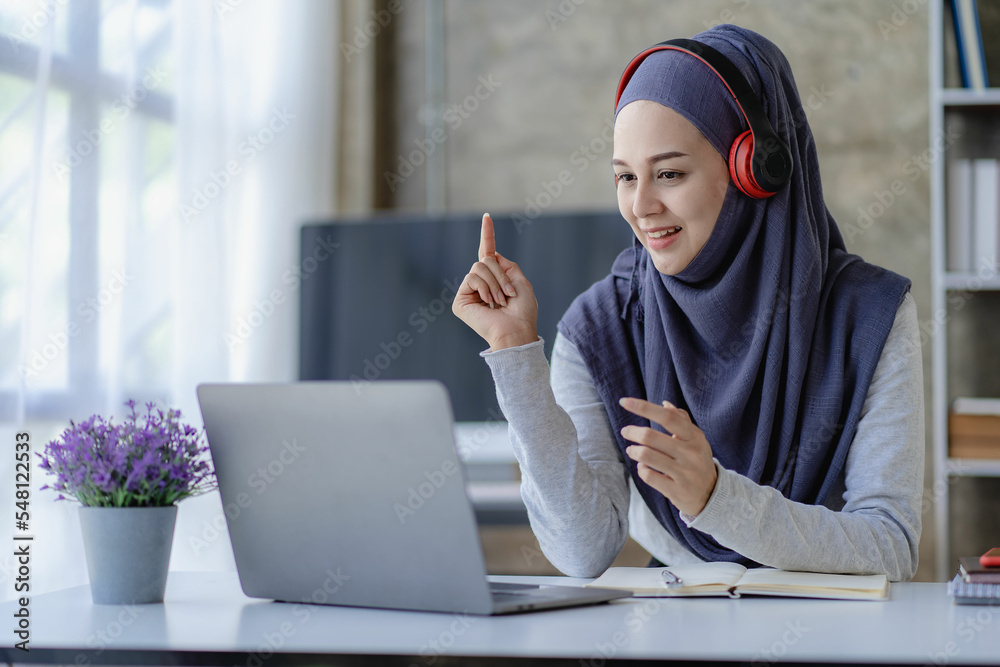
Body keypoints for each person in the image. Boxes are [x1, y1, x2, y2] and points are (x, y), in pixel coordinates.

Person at [451, 24, 923, 581]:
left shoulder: (870, 315)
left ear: (755, 172)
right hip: (677, 627)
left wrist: (717, 498)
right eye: (625, 177)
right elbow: (583, 550)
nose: (641, 205)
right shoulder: (601, 327)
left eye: (669, 173)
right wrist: (515, 352)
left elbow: (890, 547)